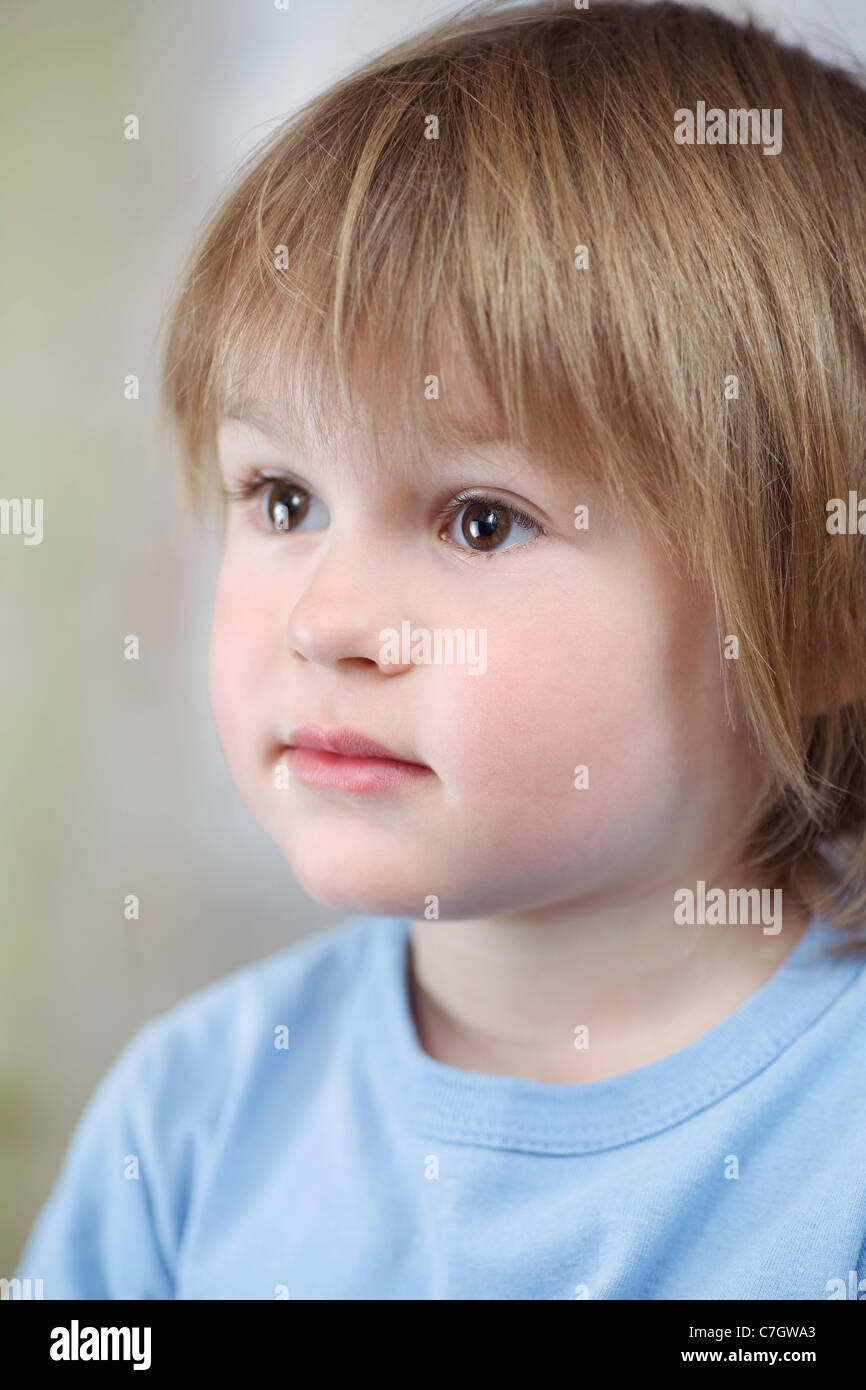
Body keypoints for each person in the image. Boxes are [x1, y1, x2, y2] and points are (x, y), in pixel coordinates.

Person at [13, 0, 866, 1299]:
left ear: (816, 625)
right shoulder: (186, 1117)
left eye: (481, 520)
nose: (327, 622)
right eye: (282, 499)